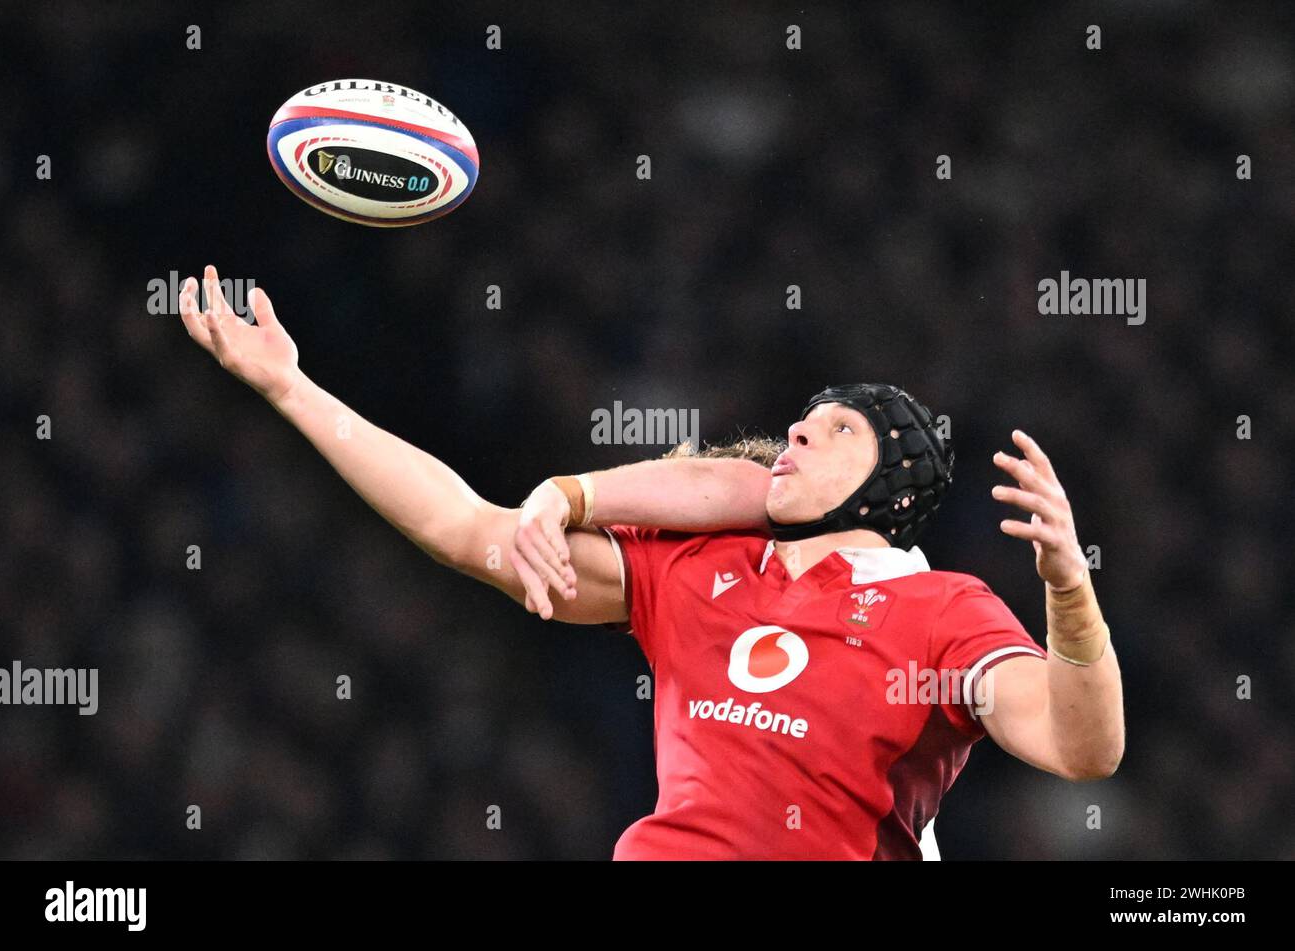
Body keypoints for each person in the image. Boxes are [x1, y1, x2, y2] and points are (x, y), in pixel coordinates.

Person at [180, 265, 1125, 860]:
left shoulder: (941, 610)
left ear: (898, 488)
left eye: (840, 428)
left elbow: (1083, 750)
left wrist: (1068, 593)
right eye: (804, 414)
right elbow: (464, 526)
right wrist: (292, 389)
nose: (800, 428)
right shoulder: (700, 572)